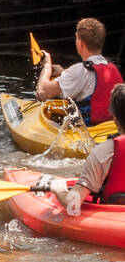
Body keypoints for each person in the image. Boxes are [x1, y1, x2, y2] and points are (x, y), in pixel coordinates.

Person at [41, 85, 125, 214]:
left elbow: (73, 204)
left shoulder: (104, 152)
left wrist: (58, 189)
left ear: (114, 117)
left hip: (113, 217)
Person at [36, 18, 123, 126]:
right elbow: (91, 83)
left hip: (90, 133)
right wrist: (63, 73)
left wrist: (47, 66)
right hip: (112, 129)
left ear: (80, 43)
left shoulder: (81, 70)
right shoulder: (112, 67)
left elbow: (42, 93)